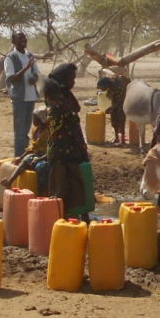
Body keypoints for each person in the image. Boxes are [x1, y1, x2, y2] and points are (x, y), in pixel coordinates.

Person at [42, 63, 90, 214]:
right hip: (61, 152)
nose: (74, 82)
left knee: (76, 184)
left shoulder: (64, 96)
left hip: (71, 149)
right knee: (61, 188)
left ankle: (72, 217)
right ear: (63, 80)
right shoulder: (57, 103)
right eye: (72, 79)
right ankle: (60, 218)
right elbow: (61, 127)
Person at [4, 31, 41, 156]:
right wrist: (26, 68)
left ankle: (24, 155)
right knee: (19, 131)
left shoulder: (30, 55)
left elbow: (36, 73)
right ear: (13, 41)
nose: (23, 40)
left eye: (24, 38)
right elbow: (11, 78)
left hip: (31, 97)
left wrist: (34, 78)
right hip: (19, 98)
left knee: (26, 130)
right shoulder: (10, 58)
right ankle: (19, 156)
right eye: (20, 38)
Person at [0, 107, 49, 188]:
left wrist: (39, 159)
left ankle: (42, 190)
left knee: (41, 167)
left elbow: (51, 150)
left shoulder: (48, 132)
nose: (33, 120)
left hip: (47, 157)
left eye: (34, 118)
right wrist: (21, 157)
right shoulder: (36, 130)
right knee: (25, 160)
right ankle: (10, 181)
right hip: (38, 155)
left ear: (41, 119)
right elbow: (33, 147)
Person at [97, 72, 130, 144]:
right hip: (116, 100)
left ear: (106, 85)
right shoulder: (110, 86)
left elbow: (121, 99)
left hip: (124, 100)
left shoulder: (118, 85)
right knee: (113, 118)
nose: (102, 89)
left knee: (121, 118)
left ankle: (123, 140)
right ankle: (116, 138)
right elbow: (110, 97)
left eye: (102, 87)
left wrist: (112, 107)